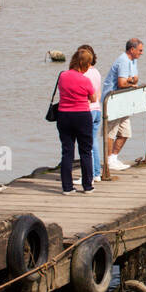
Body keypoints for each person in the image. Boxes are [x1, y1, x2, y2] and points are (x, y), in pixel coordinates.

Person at [56, 48, 97, 194]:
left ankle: (67, 187)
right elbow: (94, 99)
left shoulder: (62, 76)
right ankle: (87, 186)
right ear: (84, 64)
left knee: (67, 152)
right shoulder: (85, 80)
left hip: (64, 116)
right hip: (81, 115)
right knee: (85, 151)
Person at [102, 37, 144, 172]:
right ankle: (108, 161)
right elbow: (121, 83)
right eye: (140, 50)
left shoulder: (133, 60)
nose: (141, 53)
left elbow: (135, 78)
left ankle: (114, 157)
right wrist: (131, 81)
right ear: (132, 50)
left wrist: (130, 80)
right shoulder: (124, 61)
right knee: (111, 132)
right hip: (112, 100)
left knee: (125, 132)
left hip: (123, 101)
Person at [77, 43, 102, 182]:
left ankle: (88, 176)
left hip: (88, 110)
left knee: (85, 145)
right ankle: (97, 173)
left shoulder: (84, 73)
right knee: (94, 142)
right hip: (97, 109)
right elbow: (97, 93)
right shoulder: (96, 72)